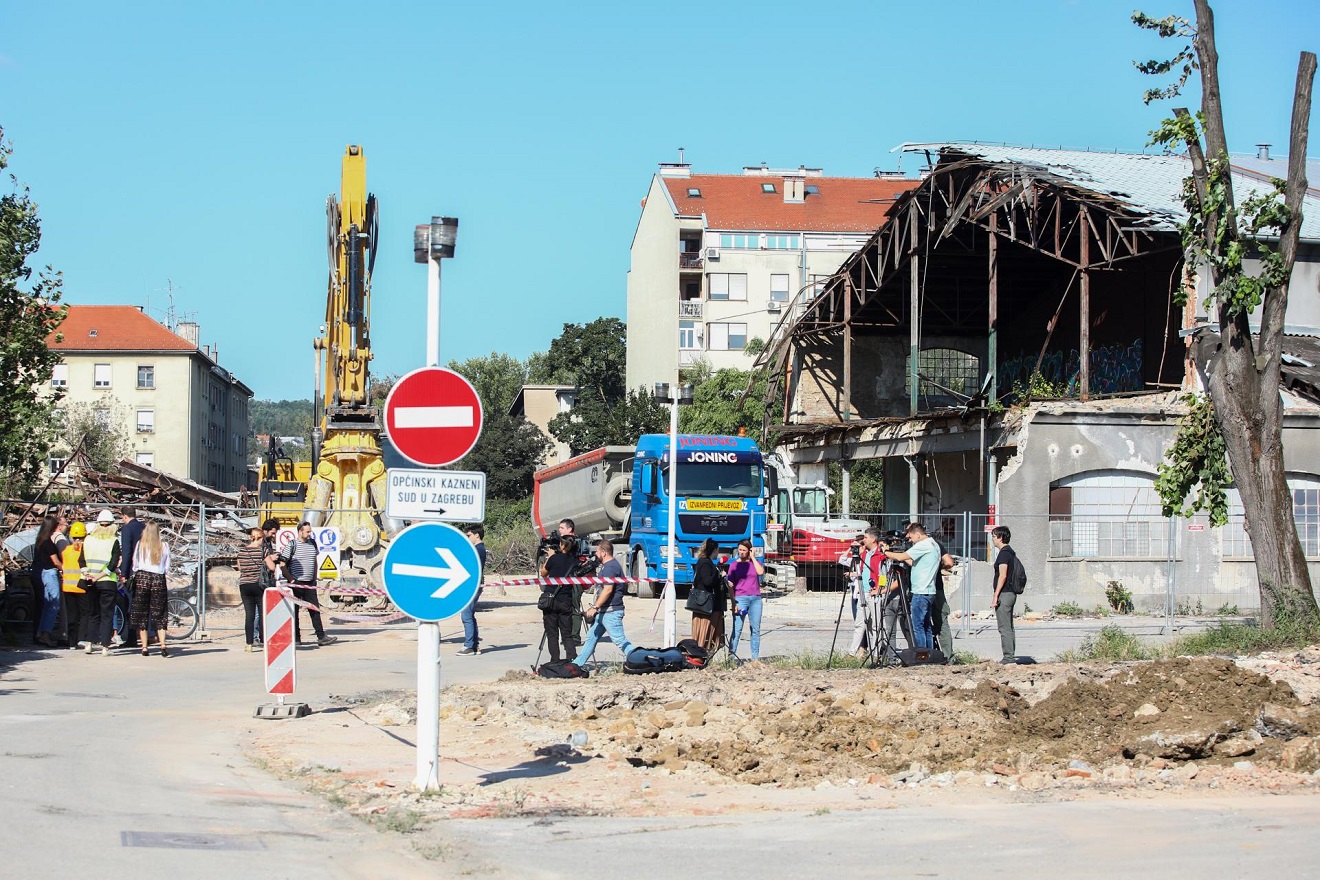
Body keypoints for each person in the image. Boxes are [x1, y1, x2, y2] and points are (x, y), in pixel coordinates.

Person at [573, 540, 634, 667]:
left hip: (611, 612)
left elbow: (607, 590)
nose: (595, 554)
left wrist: (595, 607)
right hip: (603, 612)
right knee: (591, 638)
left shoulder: (610, 568)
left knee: (619, 640)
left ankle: (638, 659)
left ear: (604, 552)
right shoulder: (609, 566)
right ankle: (577, 664)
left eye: (597, 551)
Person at [881, 522, 940, 651]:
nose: (910, 540)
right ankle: (929, 653)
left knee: (917, 626)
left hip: (920, 592)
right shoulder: (933, 544)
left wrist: (886, 552)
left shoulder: (923, 545)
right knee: (926, 627)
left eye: (911, 537)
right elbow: (913, 561)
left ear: (918, 534)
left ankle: (921, 653)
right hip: (929, 591)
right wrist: (899, 554)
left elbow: (901, 557)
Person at [279, 521, 337, 647]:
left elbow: (314, 561)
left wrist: (314, 578)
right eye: (307, 531)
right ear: (300, 531)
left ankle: (321, 637)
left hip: (310, 583)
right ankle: (296, 638)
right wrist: (292, 580)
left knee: (314, 609)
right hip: (296, 583)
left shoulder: (312, 543)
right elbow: (282, 564)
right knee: (294, 611)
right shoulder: (292, 545)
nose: (310, 533)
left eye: (310, 531)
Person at [83, 509, 122, 656]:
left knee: (93, 613)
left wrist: (87, 574)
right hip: (107, 582)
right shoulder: (113, 541)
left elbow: (82, 560)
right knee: (107, 614)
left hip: (90, 582)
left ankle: (89, 644)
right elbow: (113, 564)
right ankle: (105, 646)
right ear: (112, 525)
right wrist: (99, 576)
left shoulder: (88, 539)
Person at [131, 522, 171, 657]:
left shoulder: (140, 545)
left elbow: (135, 564)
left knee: (142, 612)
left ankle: (144, 647)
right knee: (160, 612)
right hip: (158, 578)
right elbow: (167, 565)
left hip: (143, 577)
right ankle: (163, 644)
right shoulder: (164, 546)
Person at [539, 535, 578, 663]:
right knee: (567, 634)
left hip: (551, 599)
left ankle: (555, 661)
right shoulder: (575, 561)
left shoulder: (554, 558)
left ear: (563, 545)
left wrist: (550, 557)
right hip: (565, 600)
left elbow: (543, 573)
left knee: (552, 634)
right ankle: (572, 660)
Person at [727, 538, 765, 660]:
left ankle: (755, 658)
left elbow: (760, 572)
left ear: (749, 550)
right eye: (740, 550)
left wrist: (753, 557)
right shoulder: (734, 565)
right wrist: (733, 603)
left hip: (755, 599)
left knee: (755, 629)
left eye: (744, 550)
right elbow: (730, 586)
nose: (741, 552)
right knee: (737, 629)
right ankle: (731, 658)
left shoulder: (754, 563)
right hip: (740, 599)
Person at [236, 527, 273, 652]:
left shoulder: (242, 551)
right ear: (260, 538)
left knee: (249, 615)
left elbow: (240, 568)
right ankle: (263, 640)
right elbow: (272, 567)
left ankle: (249, 644)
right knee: (262, 613)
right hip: (258, 584)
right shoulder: (262, 550)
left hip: (244, 585)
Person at [688, 538, 727, 654]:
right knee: (705, 633)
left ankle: (706, 652)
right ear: (714, 550)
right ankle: (701, 654)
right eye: (717, 550)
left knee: (710, 633)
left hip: (707, 604)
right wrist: (720, 575)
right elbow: (707, 581)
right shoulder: (705, 563)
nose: (718, 553)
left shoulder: (706, 562)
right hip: (706, 606)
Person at [32, 515, 64, 647]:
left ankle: (40, 632)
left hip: (43, 573)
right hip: (50, 573)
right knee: (54, 605)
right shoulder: (48, 543)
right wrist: (66, 569)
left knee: (46, 604)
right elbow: (55, 561)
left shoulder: (40, 540)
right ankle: (46, 633)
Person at [116, 507, 145, 648]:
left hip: (132, 571)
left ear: (124, 516)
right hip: (145, 569)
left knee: (130, 604)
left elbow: (127, 553)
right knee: (144, 604)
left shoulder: (127, 529)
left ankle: (132, 637)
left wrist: (124, 573)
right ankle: (149, 635)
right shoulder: (144, 527)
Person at [991, 525, 1020, 664]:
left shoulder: (1004, 554)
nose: (992, 539)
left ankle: (1008, 657)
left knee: (1004, 627)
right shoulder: (1009, 552)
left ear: (1000, 537)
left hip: (1005, 593)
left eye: (994, 536)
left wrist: (995, 595)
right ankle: (1010, 655)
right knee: (1008, 626)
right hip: (1009, 593)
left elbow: (1003, 576)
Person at [61, 521, 91, 650]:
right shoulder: (86, 550)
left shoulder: (66, 550)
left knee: (71, 614)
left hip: (67, 587)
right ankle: (82, 638)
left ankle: (71, 642)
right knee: (85, 613)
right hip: (81, 586)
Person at [457, 524, 487, 655]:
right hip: (474, 585)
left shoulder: (478, 550)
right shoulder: (478, 549)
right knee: (469, 614)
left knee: (466, 615)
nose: (467, 538)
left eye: (469, 535)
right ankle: (474, 645)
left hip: (472, 586)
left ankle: (469, 646)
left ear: (477, 535)